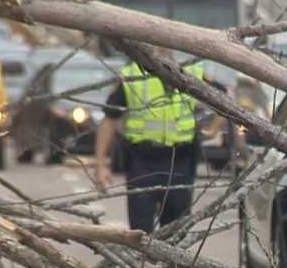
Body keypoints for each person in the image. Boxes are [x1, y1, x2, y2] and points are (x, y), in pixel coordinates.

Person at [94, 49, 220, 238]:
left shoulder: (191, 73)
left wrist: (214, 129)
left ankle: (171, 258)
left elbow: (223, 99)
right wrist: (100, 165)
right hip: (143, 162)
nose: (162, 49)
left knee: (177, 231)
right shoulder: (132, 76)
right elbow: (109, 120)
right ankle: (143, 258)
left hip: (180, 161)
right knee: (140, 231)